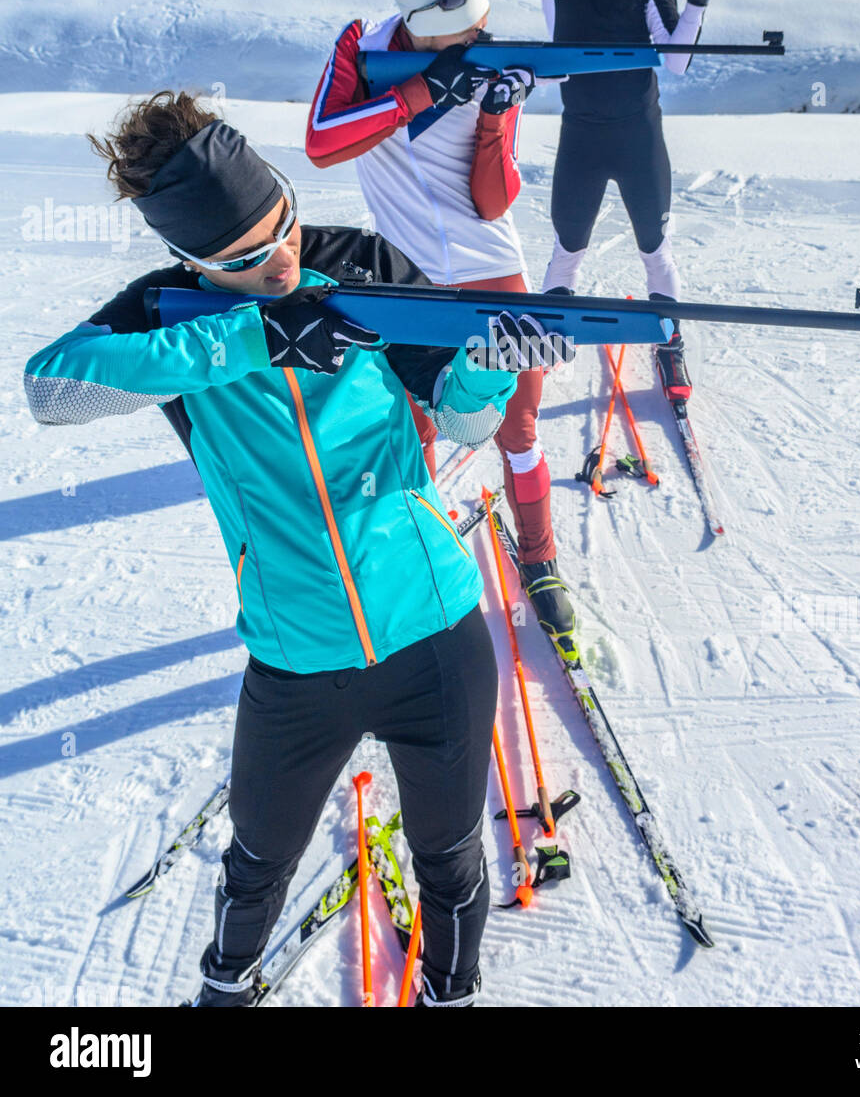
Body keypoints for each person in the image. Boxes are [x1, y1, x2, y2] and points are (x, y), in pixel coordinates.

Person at [22, 92, 568, 1007]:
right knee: (256, 860)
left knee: (451, 854)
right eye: (245, 259)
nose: (283, 260)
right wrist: (253, 335)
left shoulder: (361, 267)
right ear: (190, 263)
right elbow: (53, 391)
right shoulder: (164, 317)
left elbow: (468, 415)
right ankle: (226, 987)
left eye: (285, 226)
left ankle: (455, 989)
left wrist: (494, 361)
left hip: (435, 631)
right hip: (295, 661)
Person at [304, 0, 574, 637]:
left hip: (490, 264)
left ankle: (540, 562)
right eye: (466, 29)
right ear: (421, 28)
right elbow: (323, 142)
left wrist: (493, 116)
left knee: (517, 423)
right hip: (405, 274)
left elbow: (491, 201)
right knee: (415, 428)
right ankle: (430, 559)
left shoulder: (489, 58)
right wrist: (423, 91)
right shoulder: (363, 45)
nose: (480, 34)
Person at [511, 0, 752, 399]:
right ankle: (550, 336)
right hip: (581, 135)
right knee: (567, 247)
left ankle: (669, 344)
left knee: (655, 248)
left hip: (639, 133)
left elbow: (678, 60)